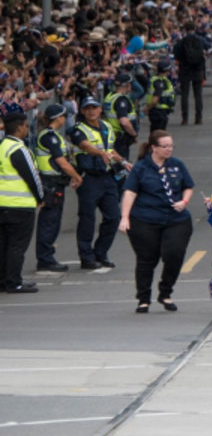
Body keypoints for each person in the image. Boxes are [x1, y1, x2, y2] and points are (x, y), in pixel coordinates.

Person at [118, 131, 194, 313]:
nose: (169, 149)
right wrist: (125, 217)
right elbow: (130, 192)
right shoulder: (141, 167)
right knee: (147, 258)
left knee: (174, 253)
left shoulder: (177, 165)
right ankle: (143, 298)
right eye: (164, 146)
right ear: (154, 148)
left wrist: (184, 202)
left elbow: (188, 187)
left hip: (175, 218)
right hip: (146, 217)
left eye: (171, 146)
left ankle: (165, 292)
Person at [71, 96, 132, 270]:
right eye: (87, 108)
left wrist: (123, 162)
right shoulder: (78, 129)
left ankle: (101, 252)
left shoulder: (106, 126)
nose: (91, 111)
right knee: (87, 218)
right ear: (82, 111)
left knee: (113, 217)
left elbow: (109, 149)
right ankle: (86, 257)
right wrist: (100, 154)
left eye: (94, 107)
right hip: (88, 178)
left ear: (100, 109)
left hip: (107, 176)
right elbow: (85, 146)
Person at [34, 104, 82, 272]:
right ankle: (45, 258)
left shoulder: (53, 135)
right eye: (64, 116)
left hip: (55, 183)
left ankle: (46, 256)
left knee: (52, 221)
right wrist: (77, 176)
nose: (65, 119)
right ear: (59, 118)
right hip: (50, 184)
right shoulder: (50, 137)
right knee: (49, 222)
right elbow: (62, 162)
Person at [0, 113, 43, 293]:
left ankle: (3, 280)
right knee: (17, 246)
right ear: (20, 128)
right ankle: (14, 282)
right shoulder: (18, 149)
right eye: (26, 126)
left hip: (2, 205)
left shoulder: (2, 147)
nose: (27, 129)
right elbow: (32, 176)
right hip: (20, 205)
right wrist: (40, 197)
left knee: (3, 245)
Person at [172, 21, 207, 125]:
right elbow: (207, 48)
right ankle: (198, 117)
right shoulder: (200, 40)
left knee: (185, 94)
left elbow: (176, 55)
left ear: (185, 29)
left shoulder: (181, 41)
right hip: (198, 69)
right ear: (195, 28)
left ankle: (185, 118)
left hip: (185, 69)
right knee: (198, 95)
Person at [103, 73, 139, 161]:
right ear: (127, 85)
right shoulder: (121, 99)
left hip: (111, 135)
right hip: (120, 137)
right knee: (121, 164)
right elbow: (124, 121)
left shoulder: (110, 96)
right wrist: (134, 134)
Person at [146, 60, 176, 133]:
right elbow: (155, 99)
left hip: (159, 112)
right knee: (158, 135)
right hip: (159, 112)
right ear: (167, 71)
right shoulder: (160, 82)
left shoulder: (156, 79)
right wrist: (147, 109)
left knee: (155, 133)